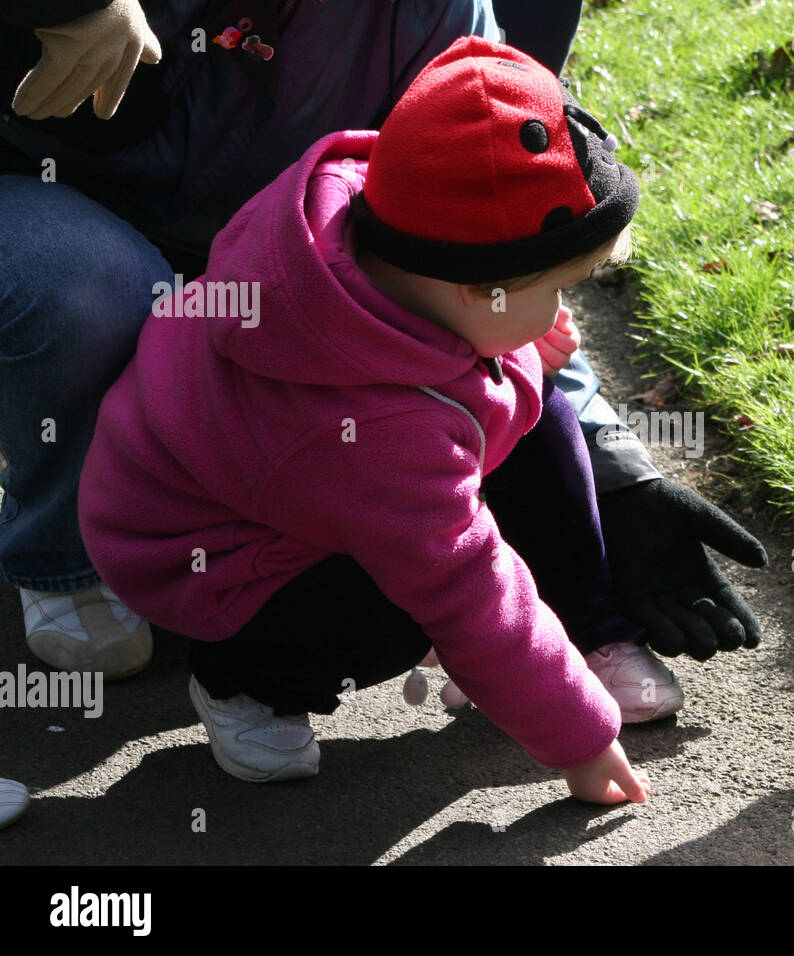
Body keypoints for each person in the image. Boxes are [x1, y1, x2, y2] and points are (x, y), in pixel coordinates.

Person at [1, 0, 764, 704]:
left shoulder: (426, 14)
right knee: (94, 289)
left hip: (293, 261)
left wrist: (611, 468)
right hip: (58, 201)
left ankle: (557, 621)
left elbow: (507, 223)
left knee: (473, 427)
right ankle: (63, 552)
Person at [77, 37, 659, 802]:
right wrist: (579, 740)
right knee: (399, 613)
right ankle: (244, 685)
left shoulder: (380, 220)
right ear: (472, 293)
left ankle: (585, 621)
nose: (565, 307)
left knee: (540, 403)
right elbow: (464, 584)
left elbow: (466, 363)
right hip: (204, 554)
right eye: (558, 287)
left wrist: (524, 348)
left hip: (273, 478)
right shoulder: (371, 433)